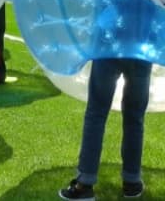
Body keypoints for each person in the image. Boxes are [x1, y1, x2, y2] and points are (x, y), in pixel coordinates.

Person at [59, 58, 151, 200]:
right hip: (142, 49)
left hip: (108, 45)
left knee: (96, 115)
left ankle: (84, 184)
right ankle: (132, 182)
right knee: (134, 119)